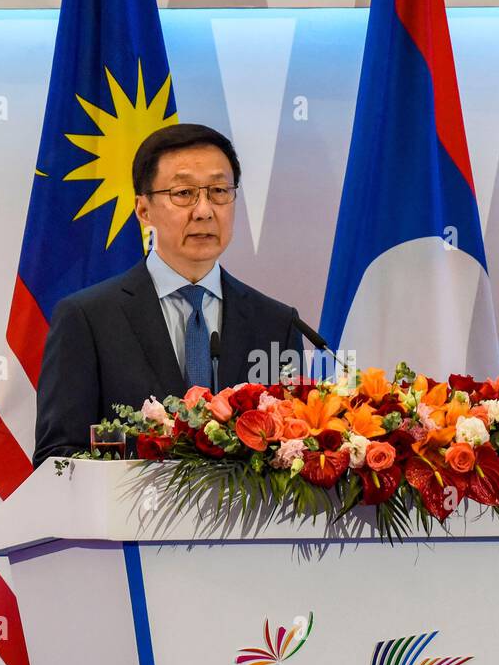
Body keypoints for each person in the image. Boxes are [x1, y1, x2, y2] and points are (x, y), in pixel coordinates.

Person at [33, 123, 304, 466]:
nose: (204, 210)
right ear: (143, 210)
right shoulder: (88, 319)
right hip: (128, 519)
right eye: (184, 193)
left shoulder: (277, 324)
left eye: (219, 191)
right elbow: (59, 457)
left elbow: (293, 449)